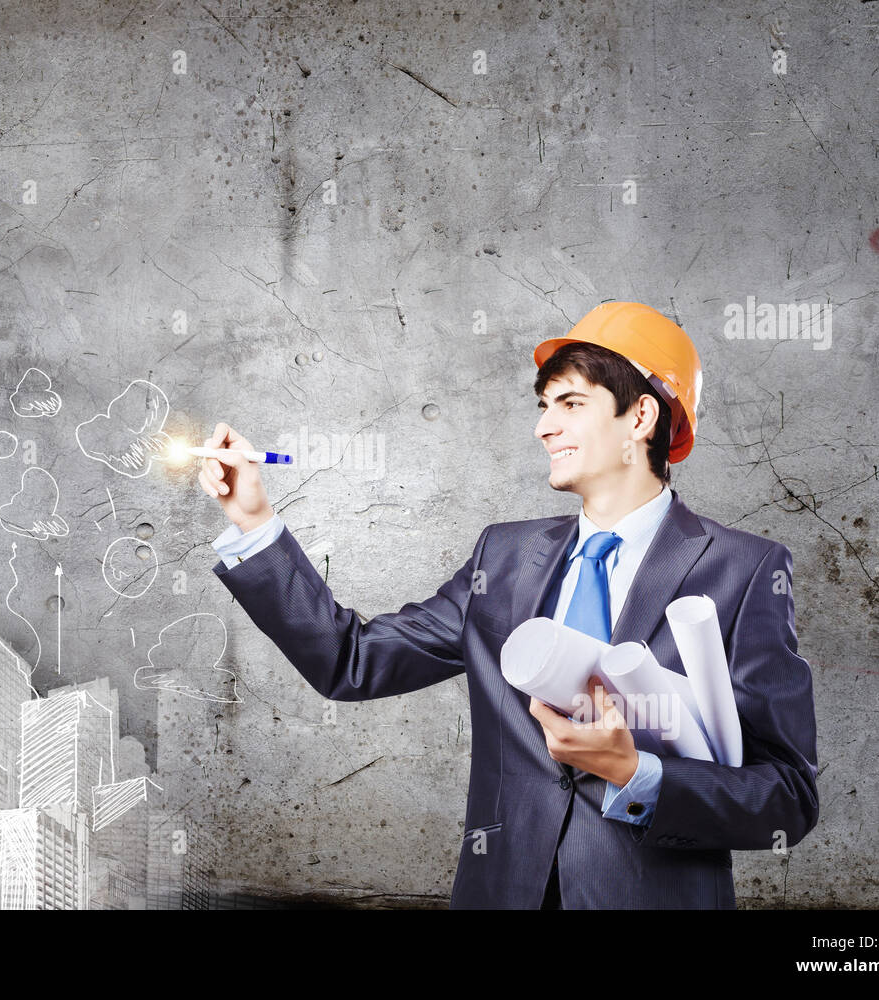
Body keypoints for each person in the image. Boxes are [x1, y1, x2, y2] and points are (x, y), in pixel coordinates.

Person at [198, 301, 819, 909]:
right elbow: (351, 661)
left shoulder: (745, 569)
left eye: (572, 404)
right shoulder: (504, 558)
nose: (545, 426)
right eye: (544, 406)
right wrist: (255, 521)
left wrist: (638, 775)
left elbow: (789, 798)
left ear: (640, 418)